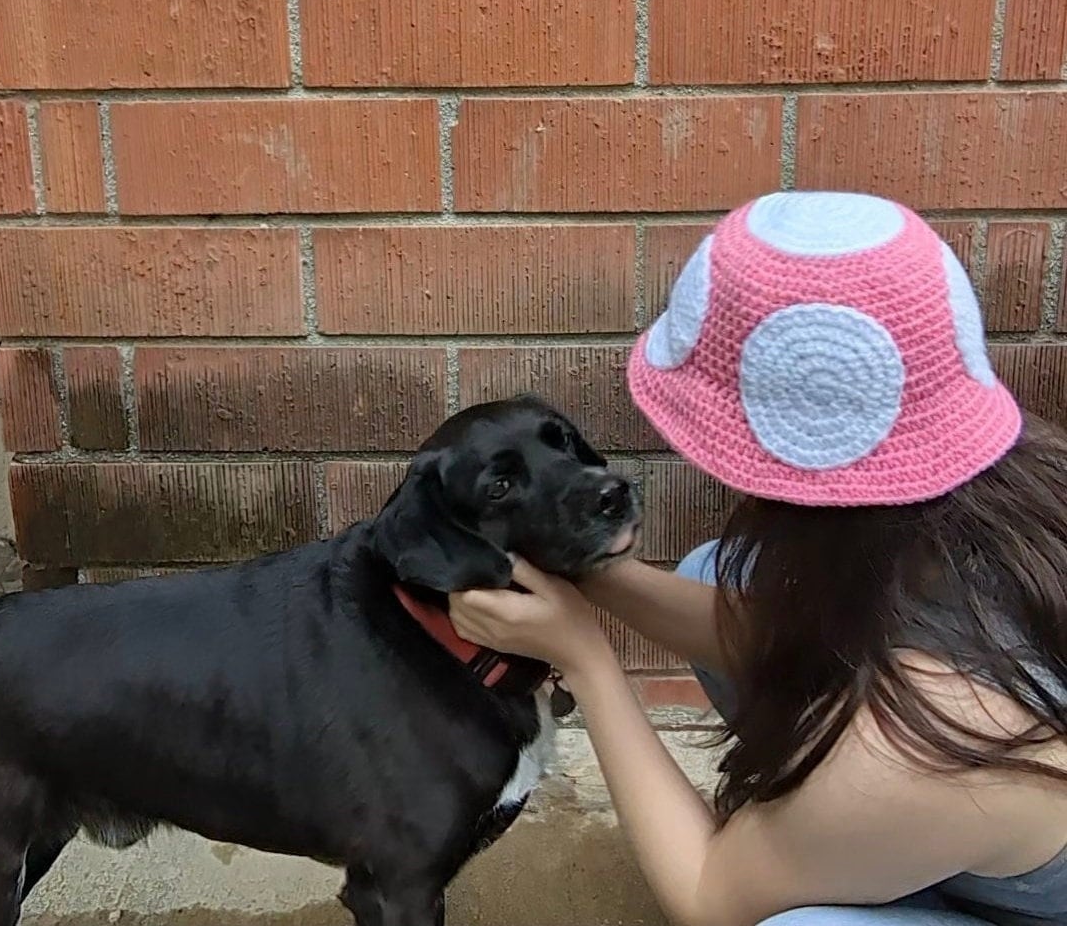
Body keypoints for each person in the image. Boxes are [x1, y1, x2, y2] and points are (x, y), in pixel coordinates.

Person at [449, 191, 1067, 926]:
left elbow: (708, 896)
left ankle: (857, 855)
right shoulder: (993, 512)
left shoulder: (935, 737)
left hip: (980, 846)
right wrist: (591, 573)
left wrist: (585, 657)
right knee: (715, 573)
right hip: (947, 809)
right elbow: (793, 634)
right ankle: (858, 848)